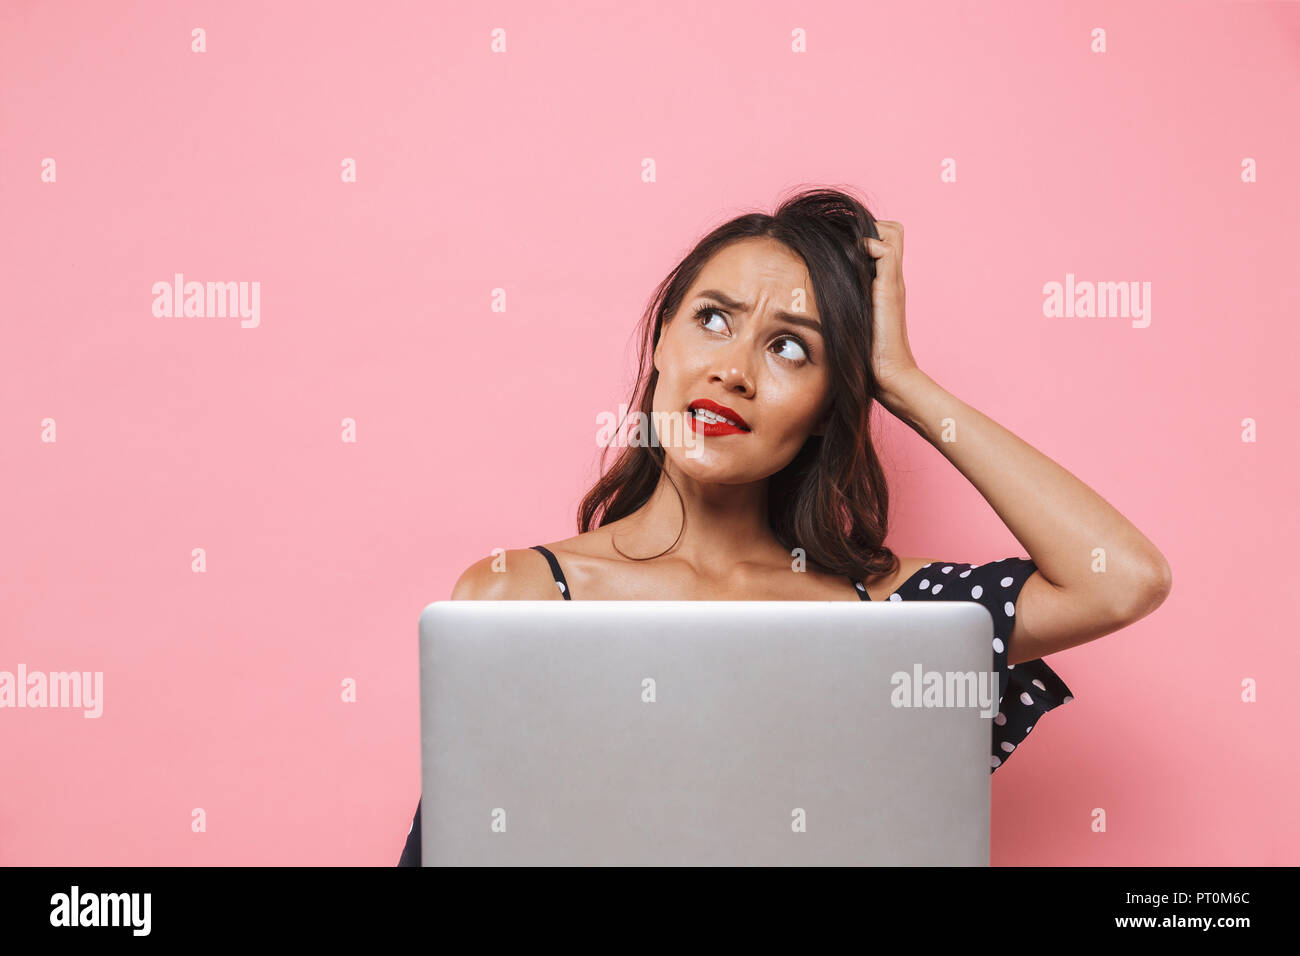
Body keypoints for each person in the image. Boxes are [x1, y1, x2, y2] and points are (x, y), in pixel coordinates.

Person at [397, 186, 1172, 866]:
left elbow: (1121, 580)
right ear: (662, 340)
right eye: (712, 319)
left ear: (828, 406)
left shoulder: (893, 617)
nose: (734, 369)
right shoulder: (524, 599)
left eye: (792, 348)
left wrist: (900, 381)